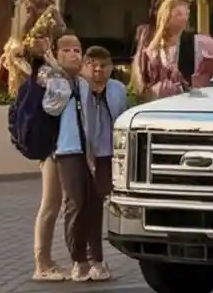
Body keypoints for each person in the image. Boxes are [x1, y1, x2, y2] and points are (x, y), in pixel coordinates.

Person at [45, 44, 129, 282]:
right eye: (92, 65)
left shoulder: (117, 90)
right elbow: (50, 104)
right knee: (76, 204)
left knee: (95, 205)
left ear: (111, 68)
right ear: (84, 67)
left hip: (104, 153)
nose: (98, 71)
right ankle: (78, 259)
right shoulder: (72, 85)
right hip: (72, 150)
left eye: (104, 66)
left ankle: (97, 260)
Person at [31, 30, 83, 283]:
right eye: (67, 50)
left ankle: (49, 260)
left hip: (70, 150)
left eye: (77, 50)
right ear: (55, 52)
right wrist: (62, 76)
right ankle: (42, 264)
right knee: (50, 204)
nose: (73, 54)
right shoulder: (49, 74)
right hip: (53, 150)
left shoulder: (75, 78)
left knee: (63, 203)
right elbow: (52, 105)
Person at [132, 0, 213, 100]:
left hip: (190, 103)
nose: (185, 18)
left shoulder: (199, 42)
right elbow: (141, 81)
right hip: (158, 104)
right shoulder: (152, 48)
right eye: (179, 14)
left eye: (187, 14)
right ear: (166, 17)